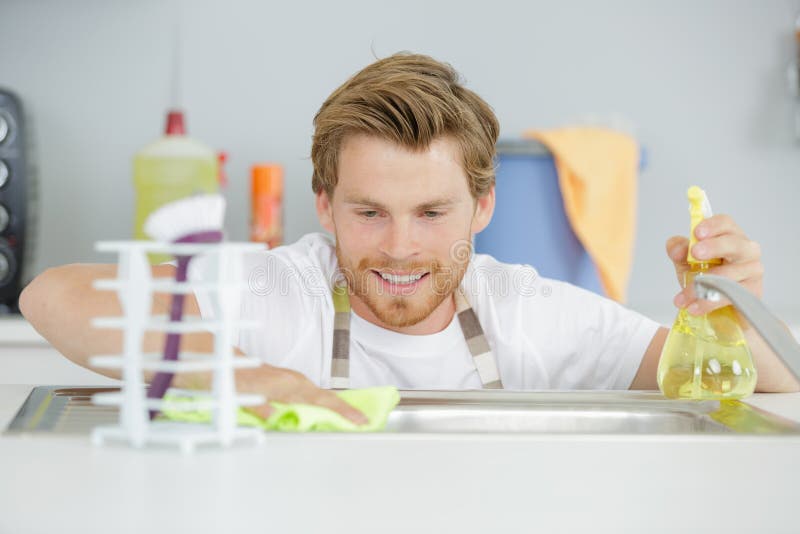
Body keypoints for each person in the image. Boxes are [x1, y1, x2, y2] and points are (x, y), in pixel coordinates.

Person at [19, 52, 799, 426]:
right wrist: (257, 379)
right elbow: (51, 296)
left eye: (432, 213)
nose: (398, 248)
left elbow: (772, 384)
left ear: (483, 206)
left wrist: (735, 314)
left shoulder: (526, 312)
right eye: (368, 213)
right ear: (323, 207)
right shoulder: (282, 291)